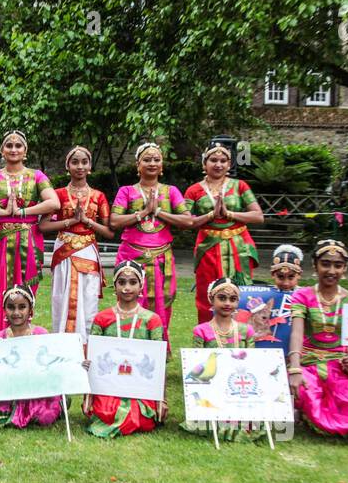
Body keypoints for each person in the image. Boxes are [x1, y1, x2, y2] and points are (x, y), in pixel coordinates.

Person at [285, 240, 348, 438]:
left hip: (340, 366)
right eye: (325, 263)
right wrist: (295, 368)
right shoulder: (302, 296)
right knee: (310, 397)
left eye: (338, 265)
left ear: (345, 268)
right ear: (315, 265)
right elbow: (297, 333)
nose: (331, 270)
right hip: (308, 364)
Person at [0, 131, 59, 334]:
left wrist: (24, 211)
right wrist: (1, 212)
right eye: (9, 145)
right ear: (2, 151)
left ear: (25, 151)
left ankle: (25, 338)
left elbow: (54, 202)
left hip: (29, 242)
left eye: (18, 146)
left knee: (26, 294)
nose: (14, 149)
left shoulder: (36, 176)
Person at [109, 143, 194, 340]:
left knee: (163, 304)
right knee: (129, 299)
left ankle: (158, 352)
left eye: (156, 159)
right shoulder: (127, 191)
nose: (152, 163)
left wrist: (158, 212)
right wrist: (143, 213)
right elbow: (115, 221)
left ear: (162, 165)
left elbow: (187, 220)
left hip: (161, 257)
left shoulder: (171, 191)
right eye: (147, 159)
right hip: (132, 257)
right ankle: (129, 348)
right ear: (138, 165)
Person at [83, 261, 166, 438]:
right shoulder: (102, 318)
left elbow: (158, 363)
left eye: (132, 282)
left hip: (142, 386)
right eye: (122, 282)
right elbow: (93, 359)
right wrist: (88, 397)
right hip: (109, 385)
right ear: (115, 285)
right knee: (107, 411)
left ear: (141, 285)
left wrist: (161, 400)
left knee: (140, 417)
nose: (127, 288)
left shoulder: (152, 320)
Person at [184, 142, 264, 323]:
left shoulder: (240, 186)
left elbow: (258, 216)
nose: (218, 164)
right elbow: (187, 221)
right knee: (207, 292)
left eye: (223, 160)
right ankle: (207, 336)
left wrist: (230, 214)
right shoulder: (194, 190)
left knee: (241, 291)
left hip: (239, 247)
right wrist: (211, 215)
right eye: (213, 160)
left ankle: (240, 336)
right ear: (204, 164)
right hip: (209, 248)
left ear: (229, 165)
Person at [181, 277, 268, 441]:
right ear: (211, 299)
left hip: (239, 386)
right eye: (222, 298)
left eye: (233, 299)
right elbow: (197, 364)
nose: (228, 303)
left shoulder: (246, 330)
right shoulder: (201, 331)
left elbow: (252, 364)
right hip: (212, 387)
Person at [42, 145, 113, 338]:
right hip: (63, 251)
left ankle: (86, 346)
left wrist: (87, 221)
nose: (80, 166)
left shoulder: (99, 196)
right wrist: (70, 222)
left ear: (90, 166)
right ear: (67, 166)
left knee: (88, 300)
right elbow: (43, 226)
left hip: (88, 251)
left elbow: (109, 232)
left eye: (84, 162)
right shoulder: (57, 194)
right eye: (75, 162)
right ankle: (61, 346)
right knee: (61, 298)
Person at [0, 284, 63, 428]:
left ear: (30, 309)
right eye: (11, 307)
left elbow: (50, 364)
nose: (16, 312)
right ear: (4, 310)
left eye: (22, 307)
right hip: (8, 387)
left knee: (45, 415)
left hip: (34, 388)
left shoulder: (41, 334)